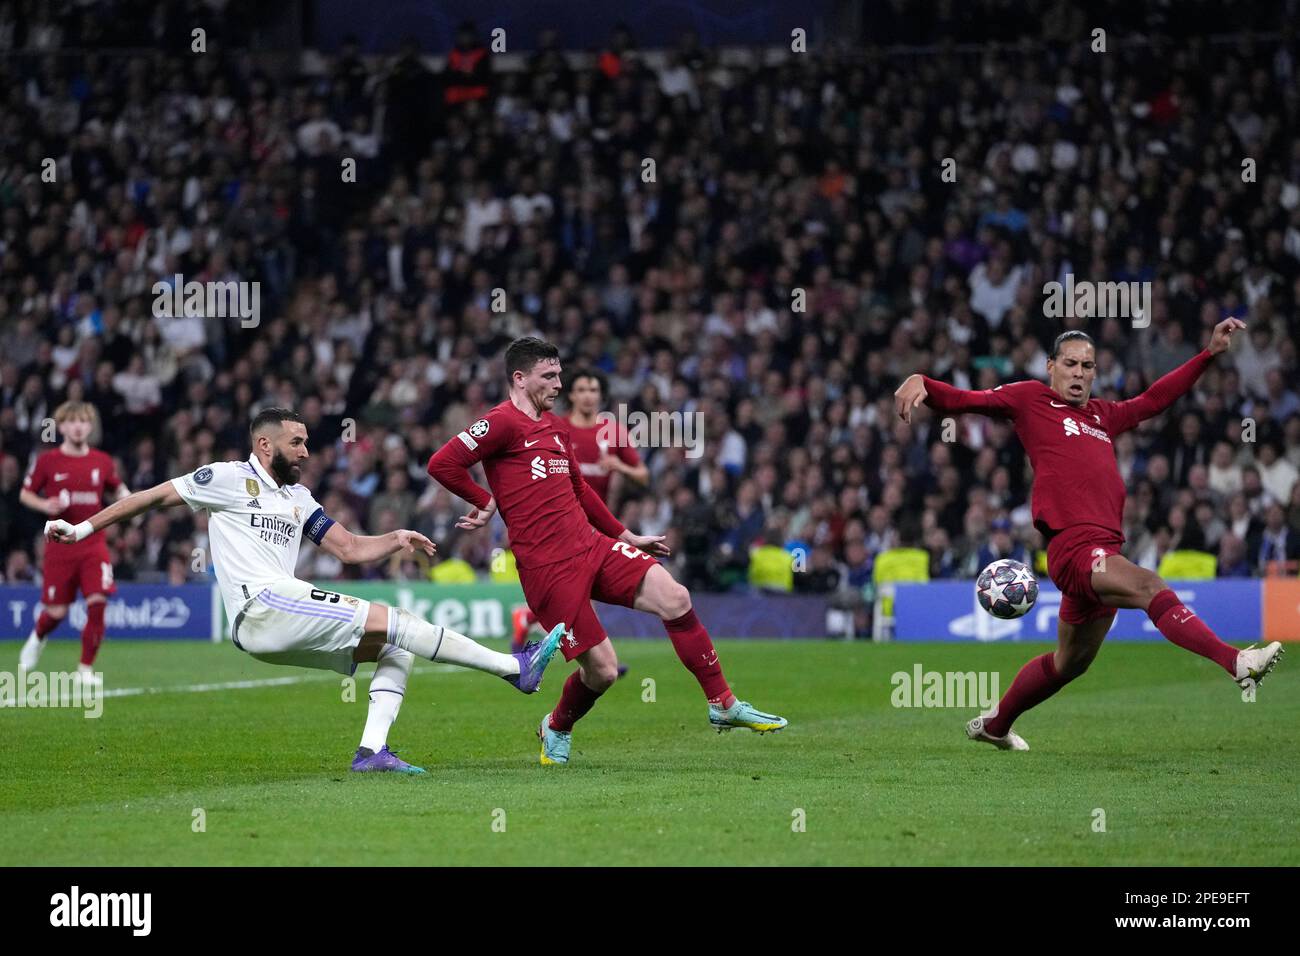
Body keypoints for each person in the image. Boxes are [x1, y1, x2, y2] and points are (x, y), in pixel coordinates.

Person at [45, 407, 563, 773]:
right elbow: (150, 498)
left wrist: (395, 538)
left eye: (307, 442)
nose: (306, 450)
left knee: (396, 647)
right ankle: (514, 669)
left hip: (276, 617)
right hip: (261, 605)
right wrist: (83, 528)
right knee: (394, 620)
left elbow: (349, 548)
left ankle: (371, 752)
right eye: (297, 442)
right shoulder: (225, 478)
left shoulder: (298, 497)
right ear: (264, 444)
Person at [894, 319, 1283, 751]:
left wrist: (1208, 354)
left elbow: (1154, 400)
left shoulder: (1102, 416)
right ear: (1051, 366)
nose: (1079, 373)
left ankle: (997, 725)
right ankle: (1237, 662)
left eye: (1087, 366)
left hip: (1103, 549)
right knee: (1148, 585)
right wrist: (923, 381)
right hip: (1074, 547)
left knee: (1070, 662)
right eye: (1071, 364)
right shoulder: (1029, 398)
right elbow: (968, 400)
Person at [427, 337, 786, 766]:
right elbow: (442, 463)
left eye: (560, 375)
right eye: (550, 376)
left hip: (593, 546)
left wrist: (625, 535)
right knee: (603, 672)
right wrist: (484, 500)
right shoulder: (500, 423)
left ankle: (722, 704)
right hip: (548, 568)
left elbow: (579, 489)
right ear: (519, 379)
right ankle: (556, 725)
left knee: (676, 598)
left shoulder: (555, 428)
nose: (559, 384)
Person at [510, 367, 647, 670]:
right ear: (570, 394)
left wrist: (620, 467)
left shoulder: (612, 432)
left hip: (600, 517)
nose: (588, 396)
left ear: (601, 395)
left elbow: (643, 476)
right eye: (582, 390)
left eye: (594, 390)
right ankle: (603, 661)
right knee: (581, 586)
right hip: (561, 523)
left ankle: (529, 619)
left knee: (585, 587)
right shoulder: (557, 427)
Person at [18, 402, 130, 683]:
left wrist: (133, 501)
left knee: (97, 602)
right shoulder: (47, 460)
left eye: (83, 421)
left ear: (90, 426)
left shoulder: (103, 461)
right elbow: (25, 494)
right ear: (62, 426)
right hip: (59, 546)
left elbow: (119, 489)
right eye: (72, 421)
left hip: (93, 542)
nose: (78, 426)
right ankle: (38, 635)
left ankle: (84, 669)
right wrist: (46, 505)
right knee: (56, 612)